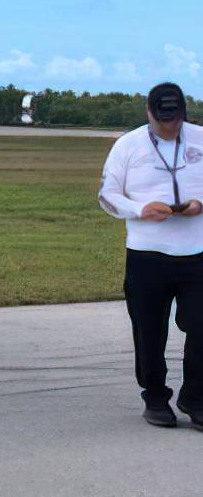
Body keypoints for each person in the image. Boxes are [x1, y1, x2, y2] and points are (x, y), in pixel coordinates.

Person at [99, 82, 203, 430]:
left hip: (197, 253)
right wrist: (140, 209)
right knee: (148, 331)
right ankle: (156, 397)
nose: (169, 128)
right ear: (149, 112)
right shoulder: (127, 145)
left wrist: (199, 205)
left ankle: (196, 398)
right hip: (147, 254)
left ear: (184, 114)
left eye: (174, 121)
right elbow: (108, 195)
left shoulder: (200, 139)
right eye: (162, 122)